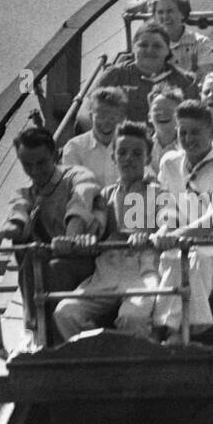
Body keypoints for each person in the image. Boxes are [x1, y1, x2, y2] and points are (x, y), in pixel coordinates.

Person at [0, 125, 101, 345]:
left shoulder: (76, 176)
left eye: (41, 163)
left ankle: (58, 344)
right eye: (27, 165)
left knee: (57, 268)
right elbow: (18, 218)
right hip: (49, 260)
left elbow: (80, 205)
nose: (35, 172)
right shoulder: (27, 193)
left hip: (84, 258)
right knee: (31, 259)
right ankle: (36, 330)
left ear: (55, 155)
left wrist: (70, 237)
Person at [53, 122, 162, 342]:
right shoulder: (105, 195)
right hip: (107, 271)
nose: (128, 158)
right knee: (66, 312)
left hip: (143, 269)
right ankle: (98, 357)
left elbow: (169, 222)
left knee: (133, 316)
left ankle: (140, 366)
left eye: (136, 153)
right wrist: (82, 239)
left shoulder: (158, 192)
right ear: (113, 157)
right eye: (122, 152)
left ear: (148, 159)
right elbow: (96, 226)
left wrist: (149, 236)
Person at [153, 100, 213, 343]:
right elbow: (167, 207)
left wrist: (179, 234)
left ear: (212, 131)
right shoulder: (169, 163)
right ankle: (164, 332)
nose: (188, 139)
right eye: (182, 132)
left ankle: (185, 332)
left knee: (197, 259)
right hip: (176, 248)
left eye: (195, 132)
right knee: (169, 258)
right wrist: (166, 229)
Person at [91, 24, 197, 122]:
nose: (150, 50)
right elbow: (85, 112)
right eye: (143, 45)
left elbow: (195, 119)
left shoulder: (186, 81)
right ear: (133, 48)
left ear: (168, 50)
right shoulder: (115, 75)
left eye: (157, 46)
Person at [61, 85, 127, 188]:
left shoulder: (134, 146)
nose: (106, 123)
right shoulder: (74, 148)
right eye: (101, 117)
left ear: (123, 119)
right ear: (91, 117)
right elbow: (75, 190)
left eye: (113, 118)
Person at [149, 0, 213, 79]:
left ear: (183, 14)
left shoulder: (200, 42)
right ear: (154, 17)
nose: (165, 17)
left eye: (170, 11)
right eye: (160, 12)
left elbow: (205, 76)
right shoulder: (148, 45)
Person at [148, 84, 184, 172]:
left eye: (169, 110)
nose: (163, 113)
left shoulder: (187, 147)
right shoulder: (144, 146)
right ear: (149, 117)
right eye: (157, 110)